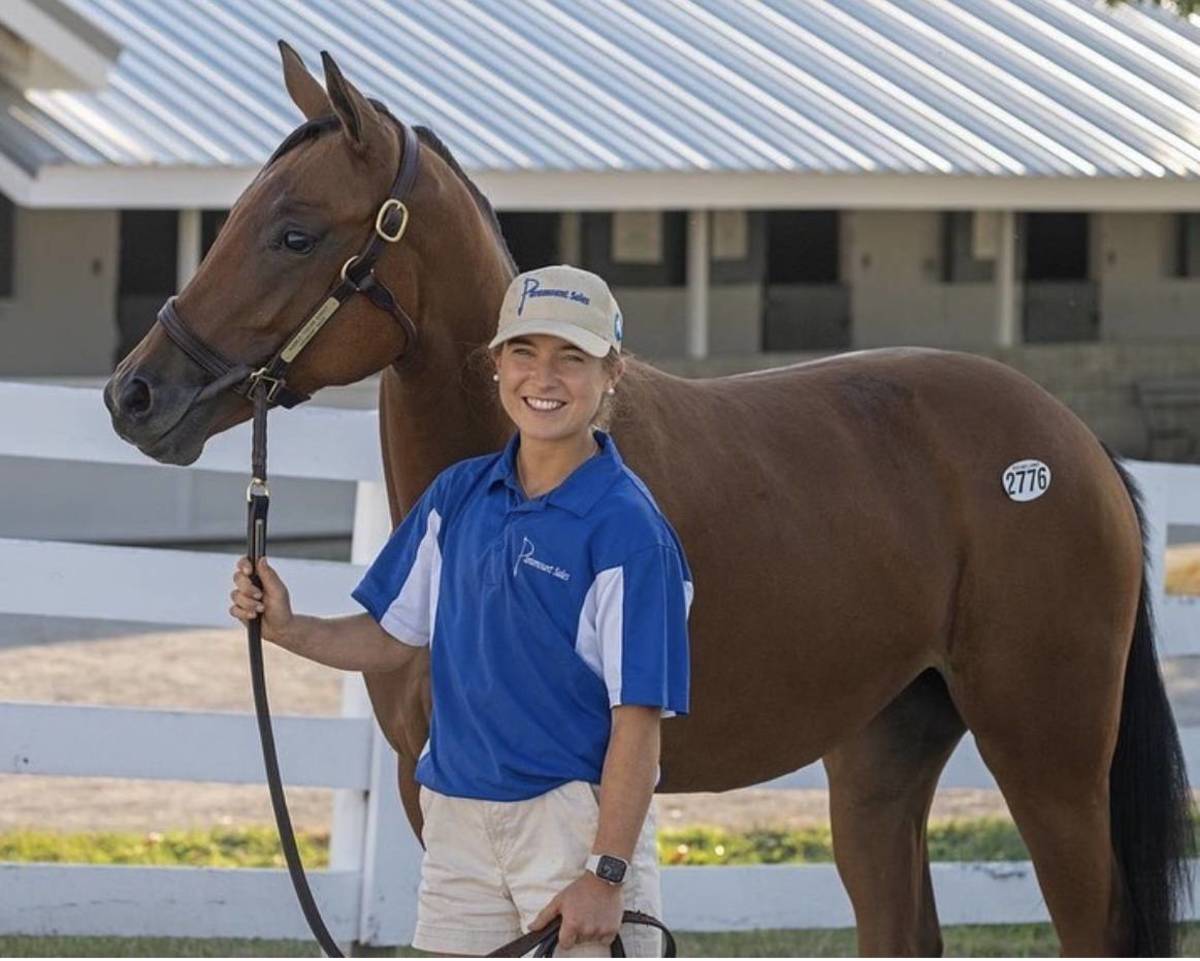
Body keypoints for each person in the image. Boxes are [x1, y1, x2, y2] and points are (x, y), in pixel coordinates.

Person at [230, 264, 693, 957]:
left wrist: (605, 871)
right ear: (497, 365)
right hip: (456, 824)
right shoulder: (459, 496)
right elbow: (392, 636)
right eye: (525, 353)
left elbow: (638, 723)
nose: (544, 378)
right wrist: (289, 627)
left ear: (611, 374)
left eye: (573, 357)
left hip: (570, 826)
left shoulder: (630, 530)